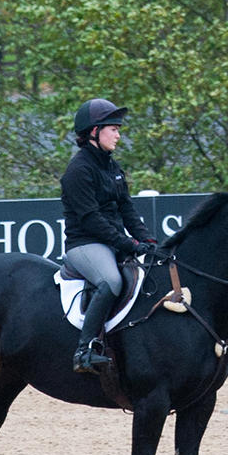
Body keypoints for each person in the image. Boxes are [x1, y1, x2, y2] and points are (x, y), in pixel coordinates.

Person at [59, 97, 156, 374]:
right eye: (112, 128)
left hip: (110, 241)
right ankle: (85, 350)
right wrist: (128, 243)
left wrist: (147, 240)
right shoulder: (79, 170)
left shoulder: (111, 166)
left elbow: (126, 207)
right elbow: (91, 220)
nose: (118, 134)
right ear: (93, 131)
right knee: (111, 280)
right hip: (85, 244)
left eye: (117, 128)